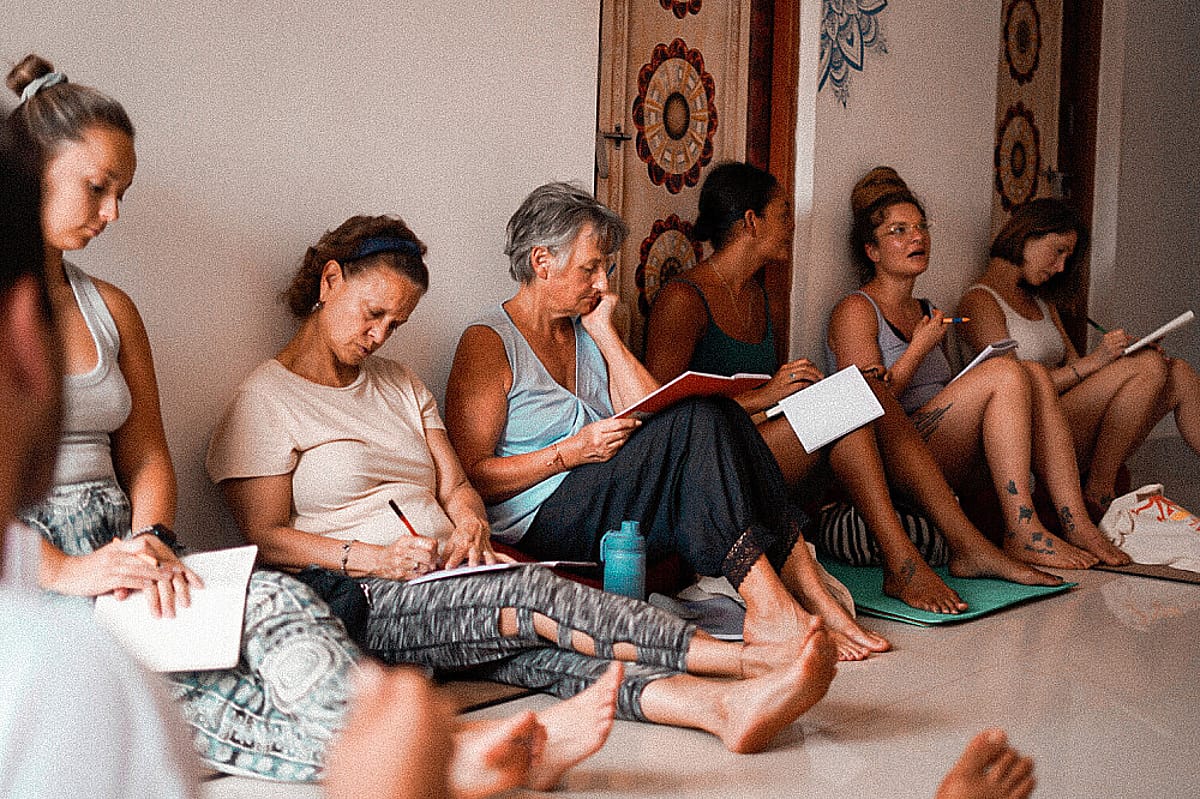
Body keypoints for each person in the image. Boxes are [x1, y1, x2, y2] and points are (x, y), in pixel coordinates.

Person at [2, 53, 591, 796]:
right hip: (38, 565)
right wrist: (70, 572)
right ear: (33, 172)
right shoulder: (8, 320)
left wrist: (147, 540)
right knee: (193, 685)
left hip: (129, 549)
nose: (113, 212)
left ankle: (425, 748)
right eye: (97, 187)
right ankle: (441, 757)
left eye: (121, 192)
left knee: (279, 599)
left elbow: (147, 453)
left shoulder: (110, 309)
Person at [210, 210, 840, 757]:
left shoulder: (397, 383)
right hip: (374, 593)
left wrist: (472, 524)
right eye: (373, 315)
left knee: (551, 658)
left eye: (394, 325)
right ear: (330, 281)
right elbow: (266, 538)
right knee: (535, 596)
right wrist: (374, 557)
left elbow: (458, 485)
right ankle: (749, 658)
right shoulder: (267, 399)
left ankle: (719, 711)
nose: (378, 336)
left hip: (450, 572)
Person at [444, 181, 888, 659]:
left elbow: (652, 409)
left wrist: (606, 335)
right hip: (544, 515)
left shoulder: (589, 327)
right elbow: (473, 475)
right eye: (590, 269)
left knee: (714, 412)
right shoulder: (489, 343)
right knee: (701, 419)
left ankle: (806, 598)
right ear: (541, 262)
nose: (602, 285)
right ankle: (773, 605)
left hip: (607, 485)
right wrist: (567, 454)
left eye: (605, 270)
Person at [645, 161, 1064, 614]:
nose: (792, 227)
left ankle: (939, 553)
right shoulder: (684, 299)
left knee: (860, 394)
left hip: (755, 439)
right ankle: (914, 560)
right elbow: (660, 418)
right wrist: (767, 397)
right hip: (705, 465)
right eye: (783, 214)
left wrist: (798, 393)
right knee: (858, 394)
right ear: (751, 221)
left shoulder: (757, 295)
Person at [827, 167, 1127, 568]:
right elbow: (864, 407)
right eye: (899, 231)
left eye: (921, 227)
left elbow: (946, 391)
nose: (917, 237)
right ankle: (1021, 530)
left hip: (941, 447)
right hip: (893, 453)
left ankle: (1076, 524)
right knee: (1006, 371)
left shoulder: (928, 309)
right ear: (872, 251)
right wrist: (917, 349)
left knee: (1033, 373)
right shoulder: (855, 310)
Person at [960, 197, 1200, 518]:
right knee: (1150, 366)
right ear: (1028, 234)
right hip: (1024, 429)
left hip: (1062, 419)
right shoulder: (980, 301)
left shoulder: (1043, 303)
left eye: (1066, 258)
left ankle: (1099, 486)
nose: (1060, 267)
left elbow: (1079, 373)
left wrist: (1119, 358)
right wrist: (1100, 361)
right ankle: (1100, 490)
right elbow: (1014, 386)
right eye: (1058, 251)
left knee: (1178, 372)